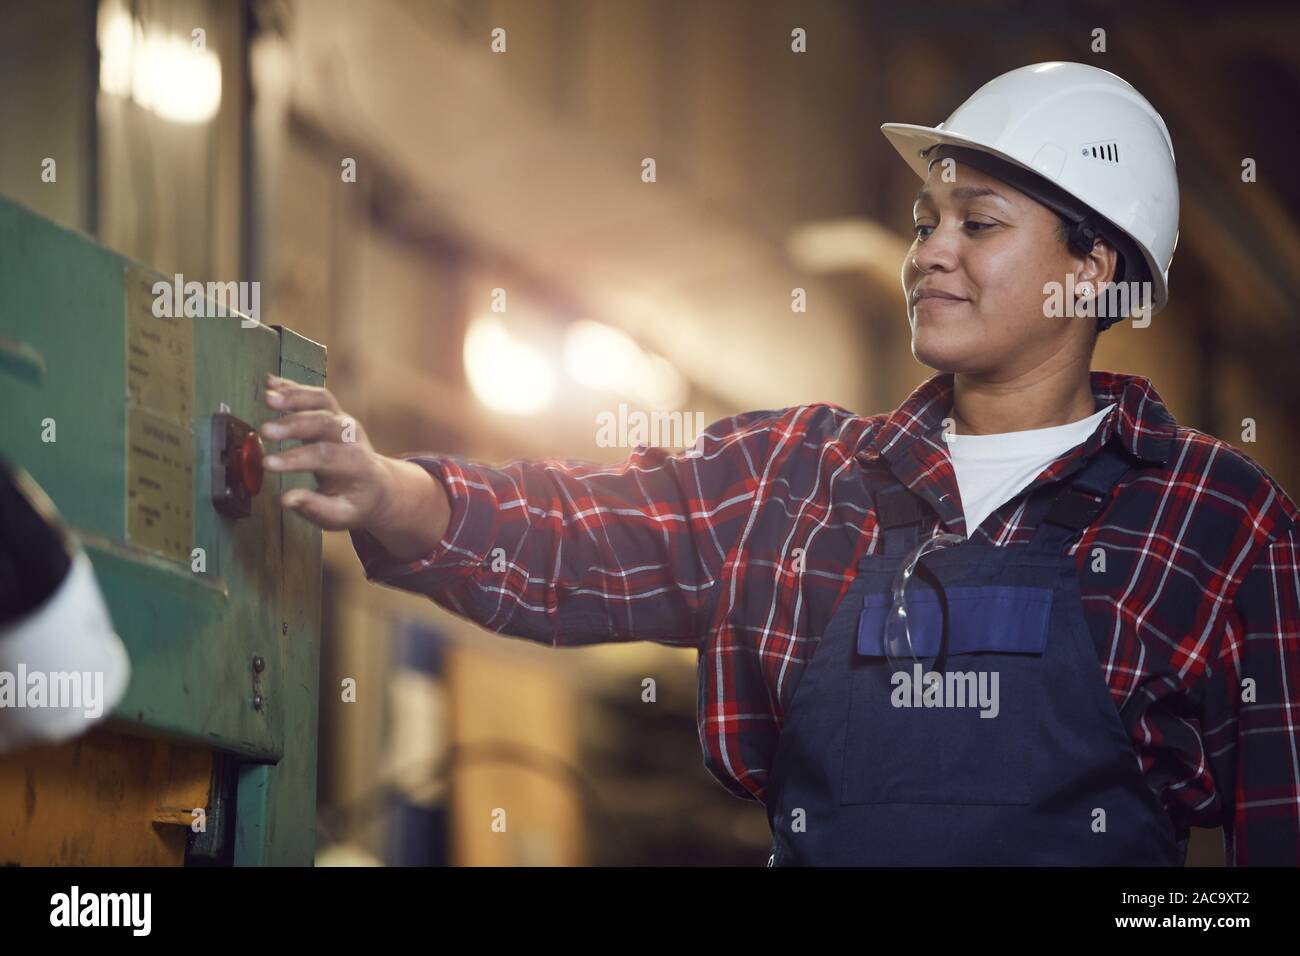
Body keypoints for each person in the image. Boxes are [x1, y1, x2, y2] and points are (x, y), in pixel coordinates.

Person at [258, 62, 1300, 866]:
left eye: (977, 223)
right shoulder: (796, 477)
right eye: (925, 220)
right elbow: (574, 536)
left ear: (1091, 268)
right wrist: (388, 489)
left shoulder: (1218, 517)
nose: (930, 251)